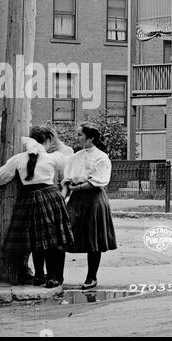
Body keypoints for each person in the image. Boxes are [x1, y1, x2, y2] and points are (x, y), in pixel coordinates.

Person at [0, 126, 73, 288]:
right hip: (51, 198)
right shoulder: (54, 157)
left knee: (35, 240)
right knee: (54, 240)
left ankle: (39, 275)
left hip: (28, 200)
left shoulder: (18, 158)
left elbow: (1, 177)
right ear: (47, 140)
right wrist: (54, 140)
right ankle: (53, 277)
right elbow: (68, 155)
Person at [63, 124, 117, 289]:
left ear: (90, 138)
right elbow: (66, 180)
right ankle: (56, 276)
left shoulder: (101, 157)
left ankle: (91, 277)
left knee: (93, 238)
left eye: (80, 135)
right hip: (75, 200)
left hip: (93, 199)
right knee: (63, 234)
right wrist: (62, 199)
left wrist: (76, 187)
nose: (77, 137)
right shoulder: (74, 157)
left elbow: (97, 182)